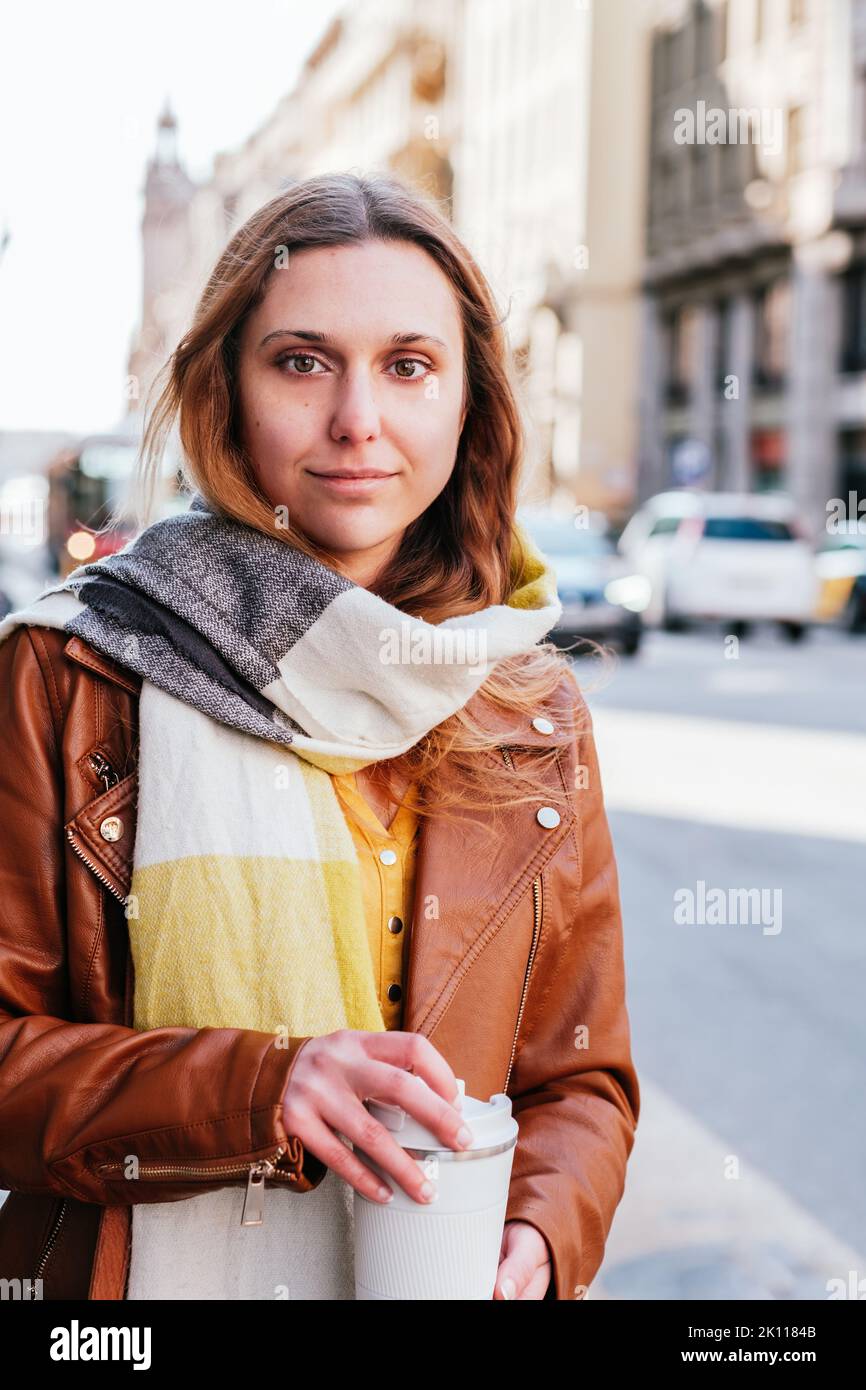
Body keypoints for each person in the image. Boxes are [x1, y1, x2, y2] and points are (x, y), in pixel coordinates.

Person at [0, 171, 639, 1301]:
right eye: (301, 361)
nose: (357, 418)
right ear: (225, 389)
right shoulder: (72, 667)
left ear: (466, 401)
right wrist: (257, 1091)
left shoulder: (527, 704)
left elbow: (577, 1078)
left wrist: (538, 1235)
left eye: (407, 365)